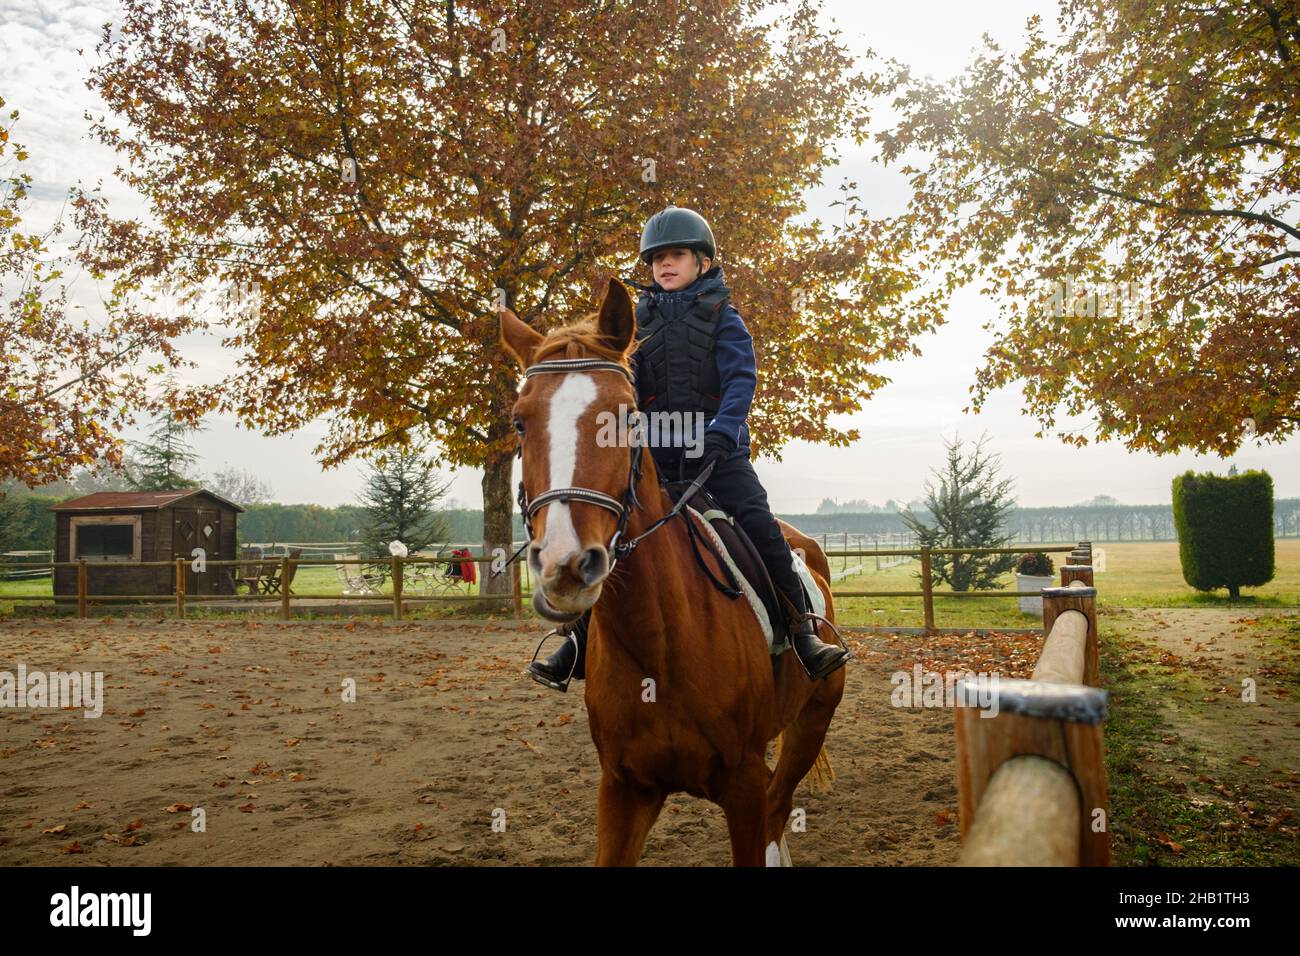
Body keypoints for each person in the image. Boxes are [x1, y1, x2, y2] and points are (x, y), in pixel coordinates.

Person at [528, 204, 851, 690]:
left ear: (702, 262)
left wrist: (724, 429)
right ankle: (576, 641)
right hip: (655, 457)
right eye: (657, 259)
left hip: (718, 452)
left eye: (676, 255)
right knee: (610, 538)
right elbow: (624, 388)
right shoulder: (635, 324)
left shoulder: (724, 316)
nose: (665, 265)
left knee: (760, 525)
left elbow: (741, 379)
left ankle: (803, 630)